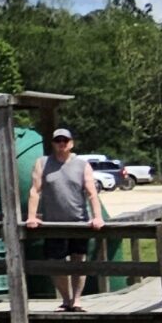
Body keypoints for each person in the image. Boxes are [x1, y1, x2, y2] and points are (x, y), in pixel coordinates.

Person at [26, 125, 105, 310]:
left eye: (65, 140)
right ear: (53, 144)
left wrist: (97, 217)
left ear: (71, 143)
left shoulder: (82, 164)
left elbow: (91, 193)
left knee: (79, 261)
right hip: (53, 223)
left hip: (78, 222)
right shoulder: (42, 163)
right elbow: (35, 190)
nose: (61, 143)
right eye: (57, 140)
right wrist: (31, 216)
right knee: (55, 263)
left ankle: (77, 300)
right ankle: (66, 299)